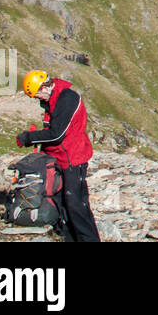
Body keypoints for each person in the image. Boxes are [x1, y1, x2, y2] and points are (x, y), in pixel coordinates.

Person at [17, 70, 100, 242]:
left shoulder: (66, 99)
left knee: (76, 205)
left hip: (72, 159)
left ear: (44, 87)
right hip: (60, 158)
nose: (38, 98)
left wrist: (29, 138)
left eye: (37, 94)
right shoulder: (53, 99)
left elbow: (57, 134)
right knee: (62, 203)